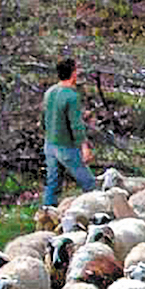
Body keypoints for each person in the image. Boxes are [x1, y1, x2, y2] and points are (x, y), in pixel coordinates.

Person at [42, 57, 97, 207]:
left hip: (49, 144)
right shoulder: (72, 96)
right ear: (73, 73)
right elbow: (76, 126)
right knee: (89, 184)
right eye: (76, 70)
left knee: (52, 185)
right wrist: (85, 148)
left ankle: (46, 216)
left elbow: (44, 119)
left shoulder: (50, 92)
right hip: (66, 147)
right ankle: (96, 216)